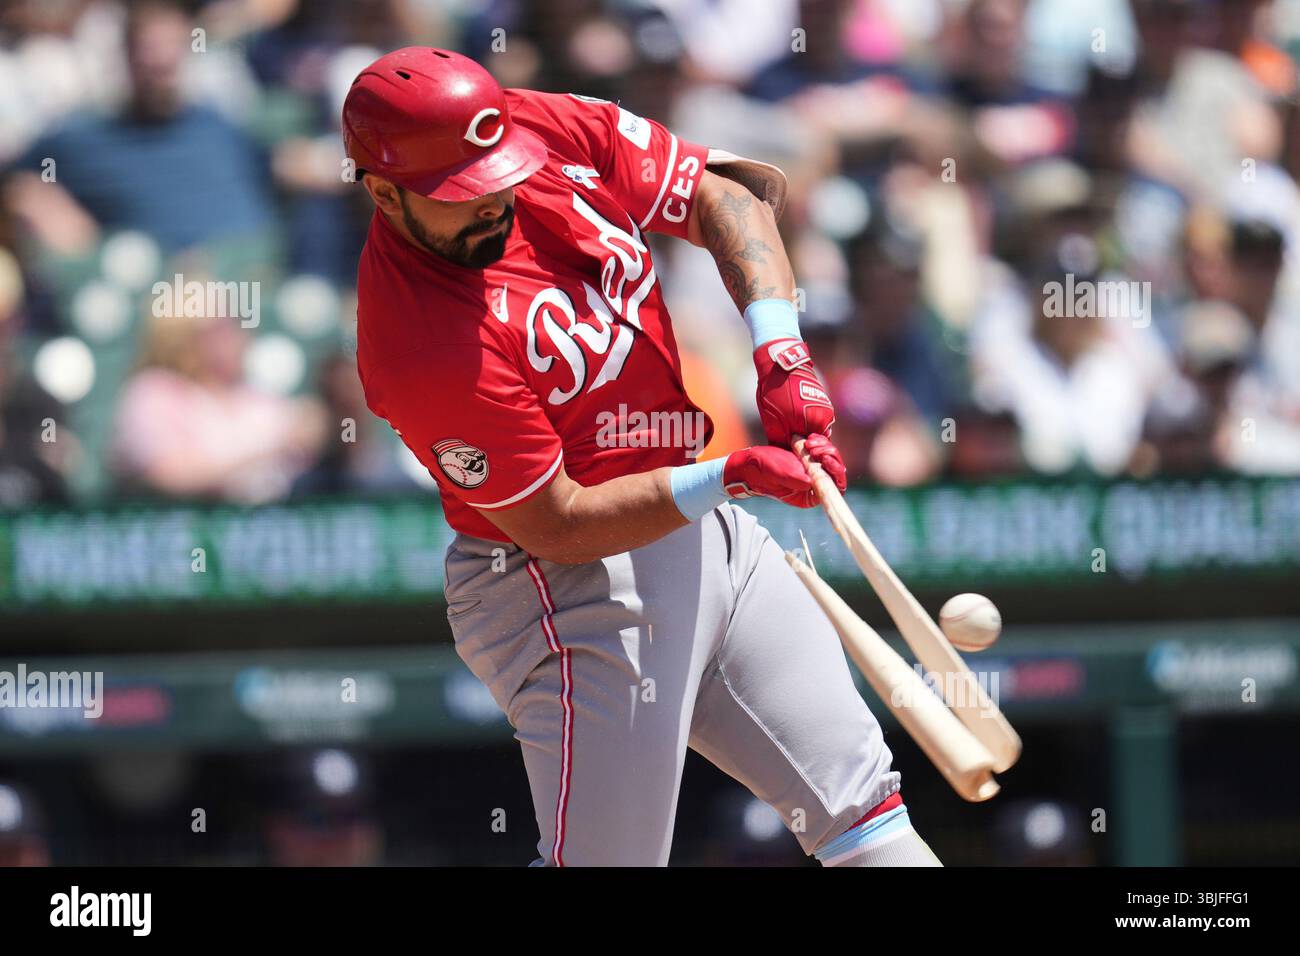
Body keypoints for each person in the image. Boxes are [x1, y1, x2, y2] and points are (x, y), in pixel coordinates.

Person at [347, 48, 939, 867]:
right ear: (382, 191)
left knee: (866, 815)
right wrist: (729, 473)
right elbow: (555, 523)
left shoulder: (532, 123)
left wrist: (782, 353)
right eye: (462, 194)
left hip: (701, 535)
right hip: (564, 586)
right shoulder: (417, 339)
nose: (494, 200)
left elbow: (726, 197)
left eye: (498, 174)